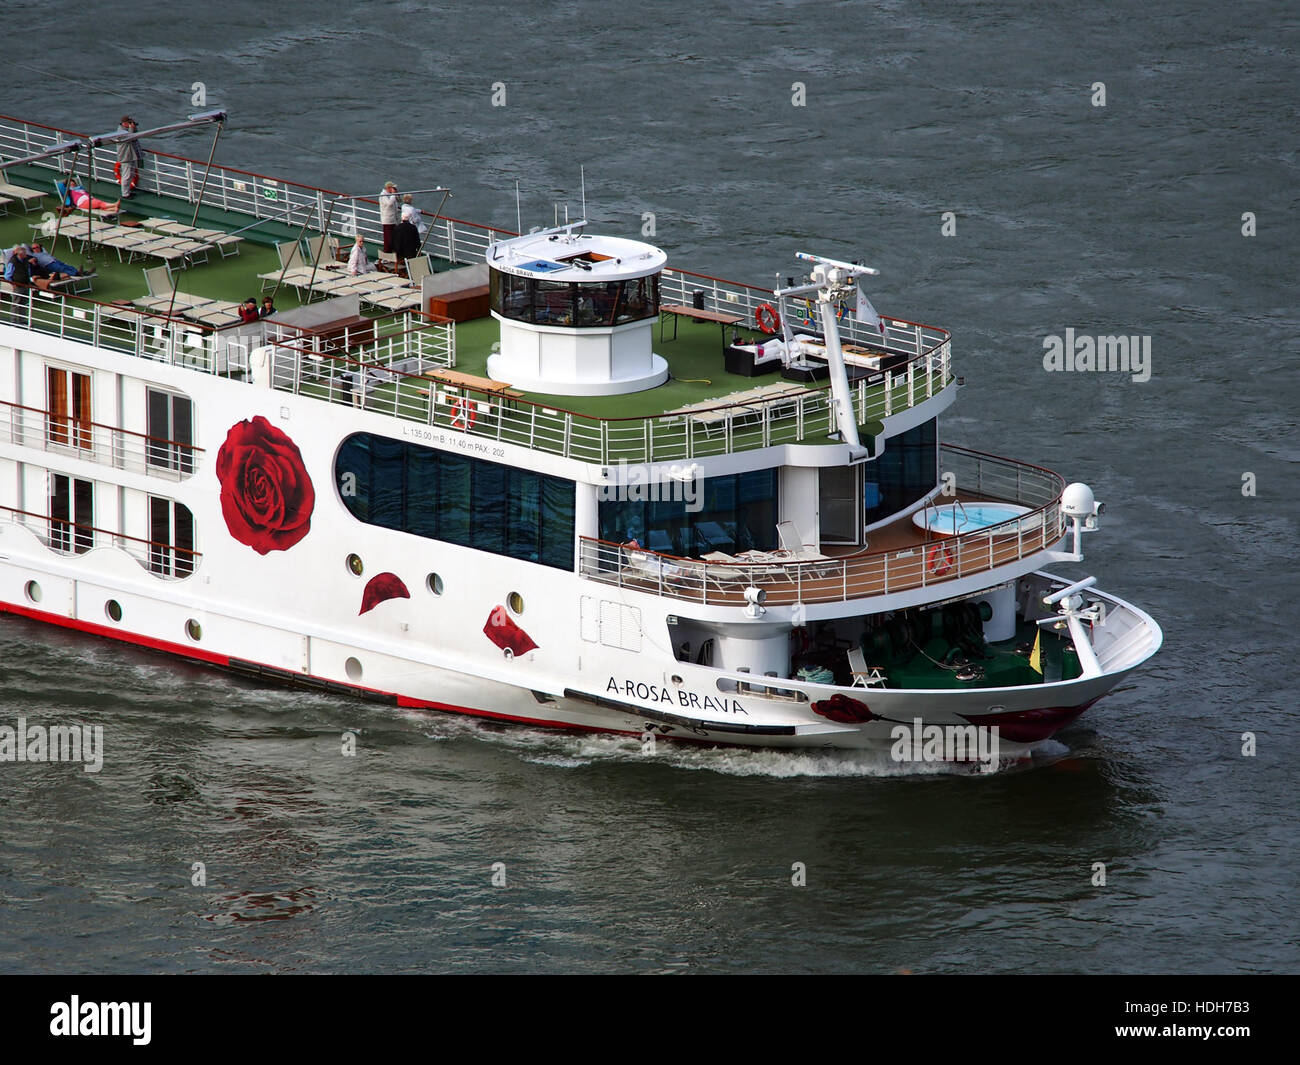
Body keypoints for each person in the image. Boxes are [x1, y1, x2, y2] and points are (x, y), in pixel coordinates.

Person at [114, 115, 143, 199]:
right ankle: (125, 194)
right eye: (129, 123)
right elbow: (129, 138)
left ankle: (127, 192)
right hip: (126, 156)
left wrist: (133, 128)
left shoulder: (127, 130)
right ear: (124, 123)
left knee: (130, 174)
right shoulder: (120, 132)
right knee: (126, 176)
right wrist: (131, 129)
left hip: (130, 155)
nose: (131, 124)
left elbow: (135, 135)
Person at [379, 181, 399, 253]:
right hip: (387, 220)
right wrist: (393, 194)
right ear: (388, 188)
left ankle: (392, 251)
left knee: (393, 238)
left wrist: (396, 194)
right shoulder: (383, 195)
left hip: (393, 220)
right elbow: (389, 203)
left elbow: (398, 201)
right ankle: (387, 253)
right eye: (392, 188)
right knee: (388, 239)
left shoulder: (390, 195)